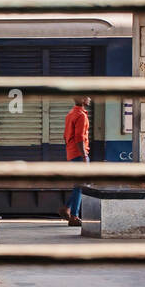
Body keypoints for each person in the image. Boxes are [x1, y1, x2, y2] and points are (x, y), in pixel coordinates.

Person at [61, 96, 90, 227]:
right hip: (79, 154)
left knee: (78, 184)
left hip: (71, 152)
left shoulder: (70, 114)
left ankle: (66, 208)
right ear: (83, 99)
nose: (90, 99)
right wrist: (84, 156)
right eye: (88, 97)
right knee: (81, 185)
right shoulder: (81, 116)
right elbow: (79, 138)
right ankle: (74, 216)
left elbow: (65, 135)